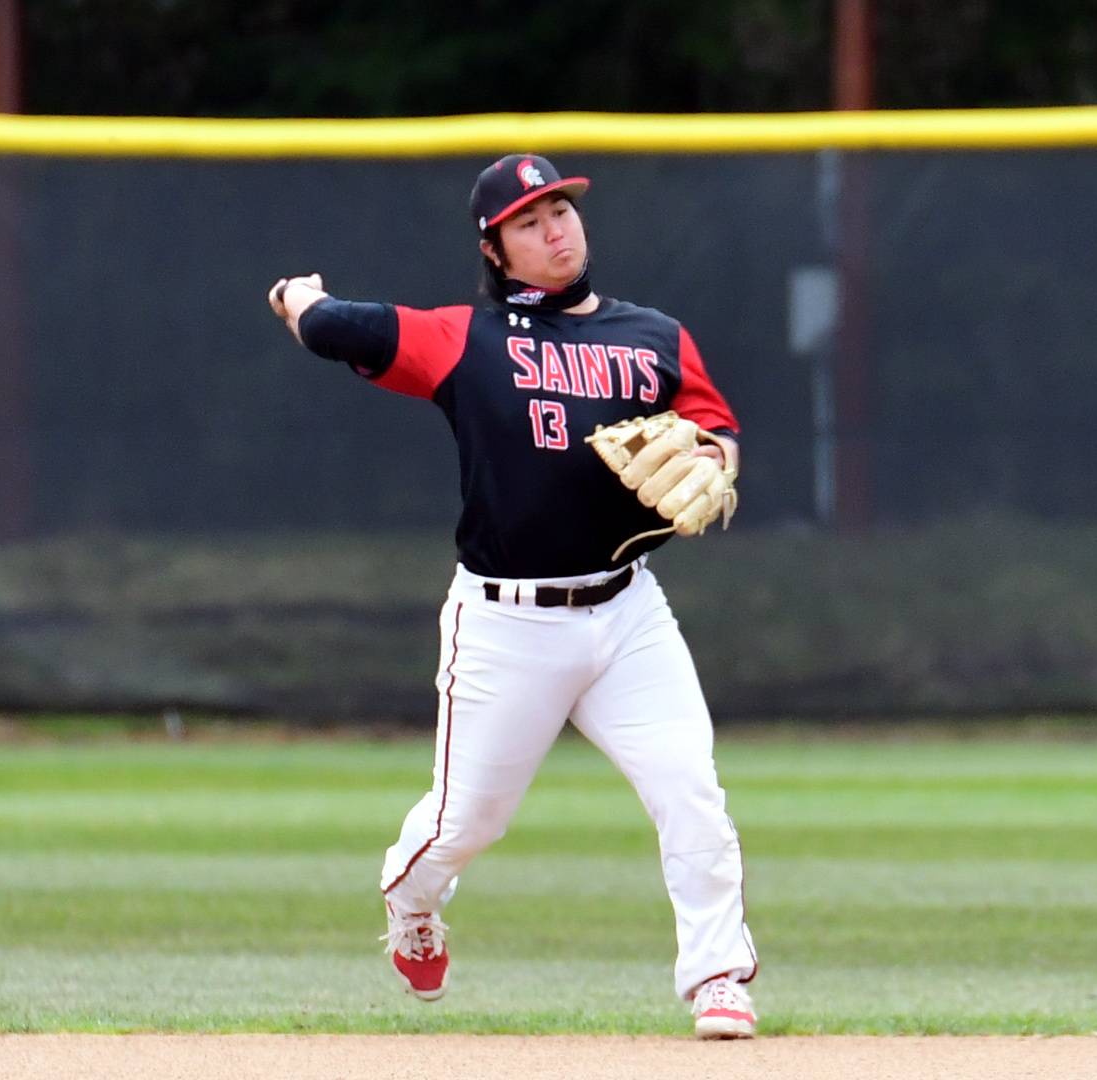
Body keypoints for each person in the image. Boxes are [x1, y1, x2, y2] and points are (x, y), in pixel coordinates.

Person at [266, 154, 758, 1040]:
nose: (556, 229)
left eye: (562, 209)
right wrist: (299, 303)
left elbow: (717, 428)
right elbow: (352, 328)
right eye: (530, 221)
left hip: (627, 611)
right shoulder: (468, 341)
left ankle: (719, 976)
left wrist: (713, 462)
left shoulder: (655, 337)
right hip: (505, 623)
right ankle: (412, 902)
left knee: (692, 793)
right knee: (466, 823)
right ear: (496, 249)